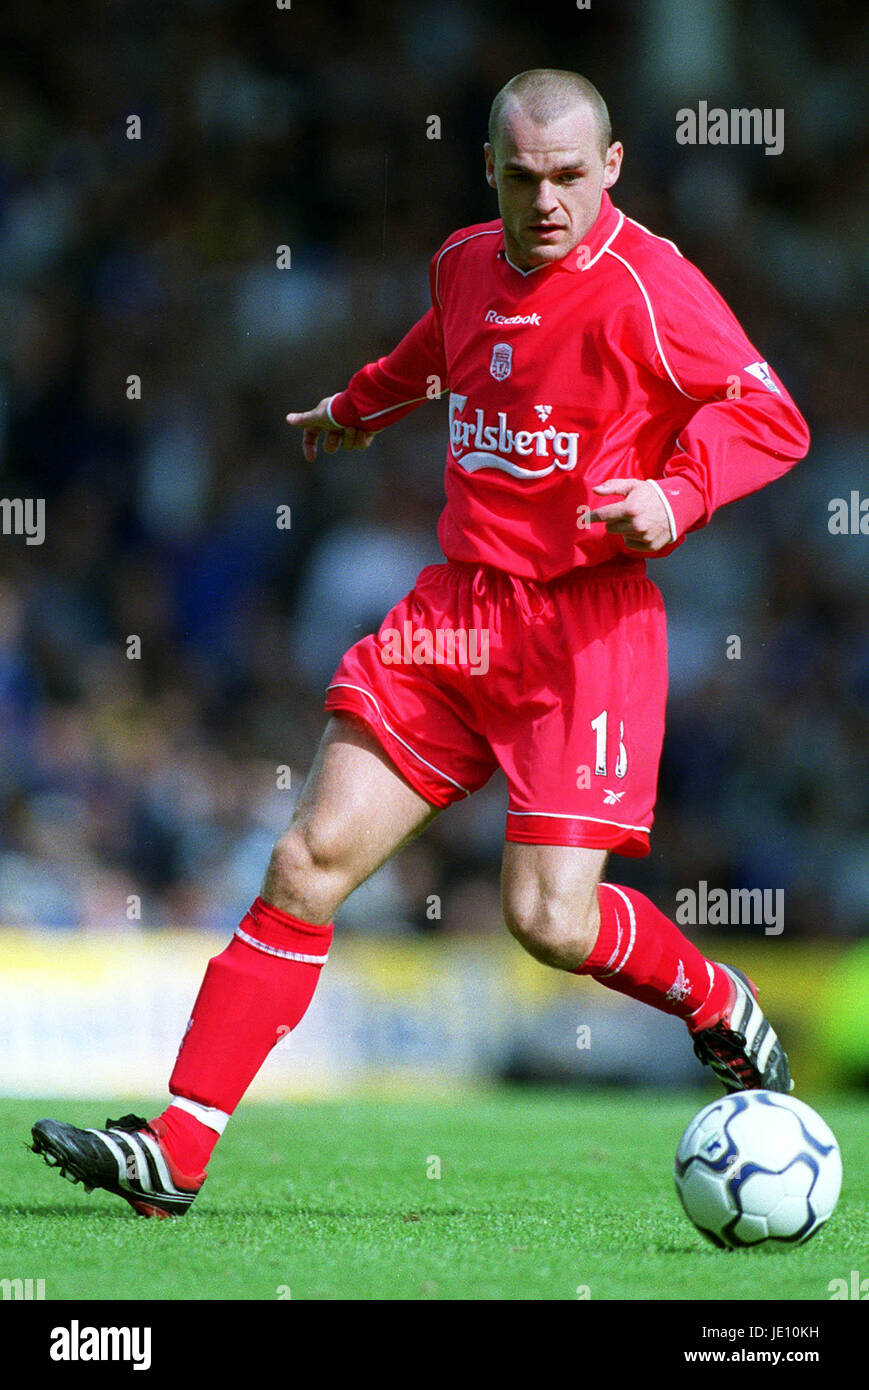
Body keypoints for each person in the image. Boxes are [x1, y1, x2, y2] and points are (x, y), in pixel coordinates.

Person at [31, 70, 810, 1218]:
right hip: (455, 612)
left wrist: (677, 497)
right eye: (521, 176)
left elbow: (767, 414)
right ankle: (176, 1150)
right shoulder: (462, 261)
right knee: (306, 861)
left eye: (566, 178)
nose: (545, 202)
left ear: (610, 168)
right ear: (488, 169)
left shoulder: (652, 285)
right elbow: (437, 351)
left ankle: (712, 999)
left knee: (545, 920)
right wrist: (353, 409)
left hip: (582, 629)